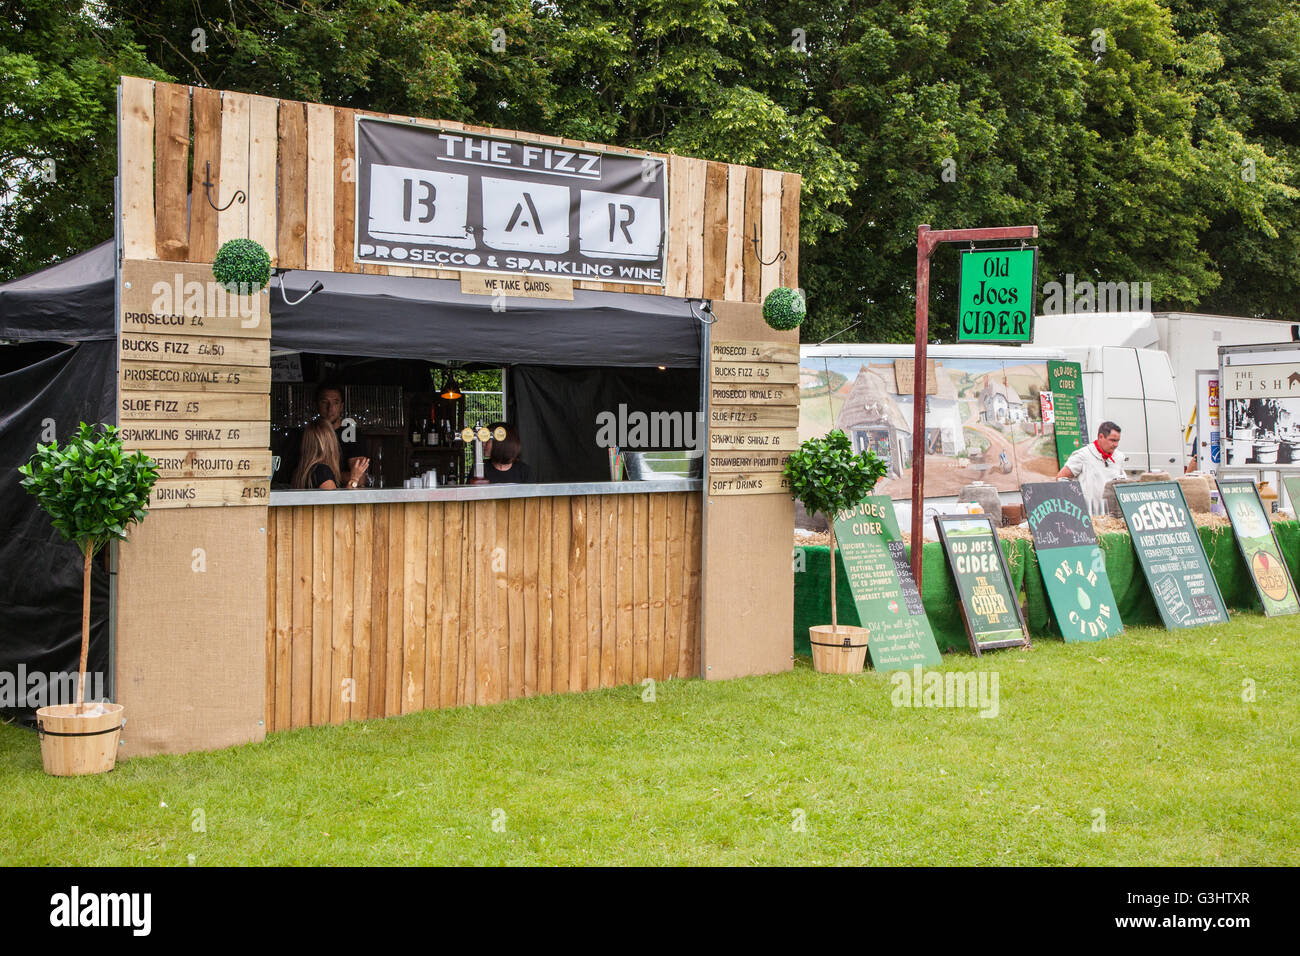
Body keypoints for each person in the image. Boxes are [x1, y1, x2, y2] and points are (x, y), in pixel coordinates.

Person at [1058, 421, 1125, 514]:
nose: (1116, 445)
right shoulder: (1083, 455)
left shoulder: (1119, 457)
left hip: (1111, 516)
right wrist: (1073, 501)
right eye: (1112, 440)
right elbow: (1061, 478)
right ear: (1101, 437)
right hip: (1088, 515)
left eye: (1118, 441)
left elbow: (1123, 483)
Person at [292, 419, 370, 489]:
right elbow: (337, 504)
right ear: (330, 444)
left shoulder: (301, 471)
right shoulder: (322, 472)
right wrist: (354, 479)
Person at [315, 383, 366, 473]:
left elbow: (359, 477)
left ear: (341, 407)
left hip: (344, 487)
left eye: (335, 403)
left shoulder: (352, 434)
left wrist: (322, 476)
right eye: (324, 402)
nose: (330, 408)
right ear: (316, 405)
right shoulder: (310, 433)